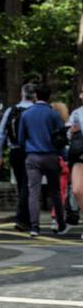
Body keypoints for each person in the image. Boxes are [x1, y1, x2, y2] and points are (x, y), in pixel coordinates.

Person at [17, 83, 68, 237]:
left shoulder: (26, 114)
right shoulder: (53, 115)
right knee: (56, 192)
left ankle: (34, 227)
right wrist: (64, 156)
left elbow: (20, 139)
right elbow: (61, 138)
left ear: (36, 96)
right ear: (49, 97)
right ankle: (61, 224)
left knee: (33, 192)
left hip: (32, 156)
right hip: (51, 156)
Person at [0, 81, 36, 232]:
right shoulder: (36, 110)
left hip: (15, 152)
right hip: (31, 151)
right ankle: (23, 218)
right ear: (35, 95)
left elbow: (0, 135)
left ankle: (25, 217)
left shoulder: (11, 111)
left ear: (22, 94)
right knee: (28, 186)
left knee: (21, 185)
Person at [67, 82, 83, 239]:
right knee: (77, 190)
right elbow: (67, 134)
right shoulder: (77, 113)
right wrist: (71, 132)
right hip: (79, 155)